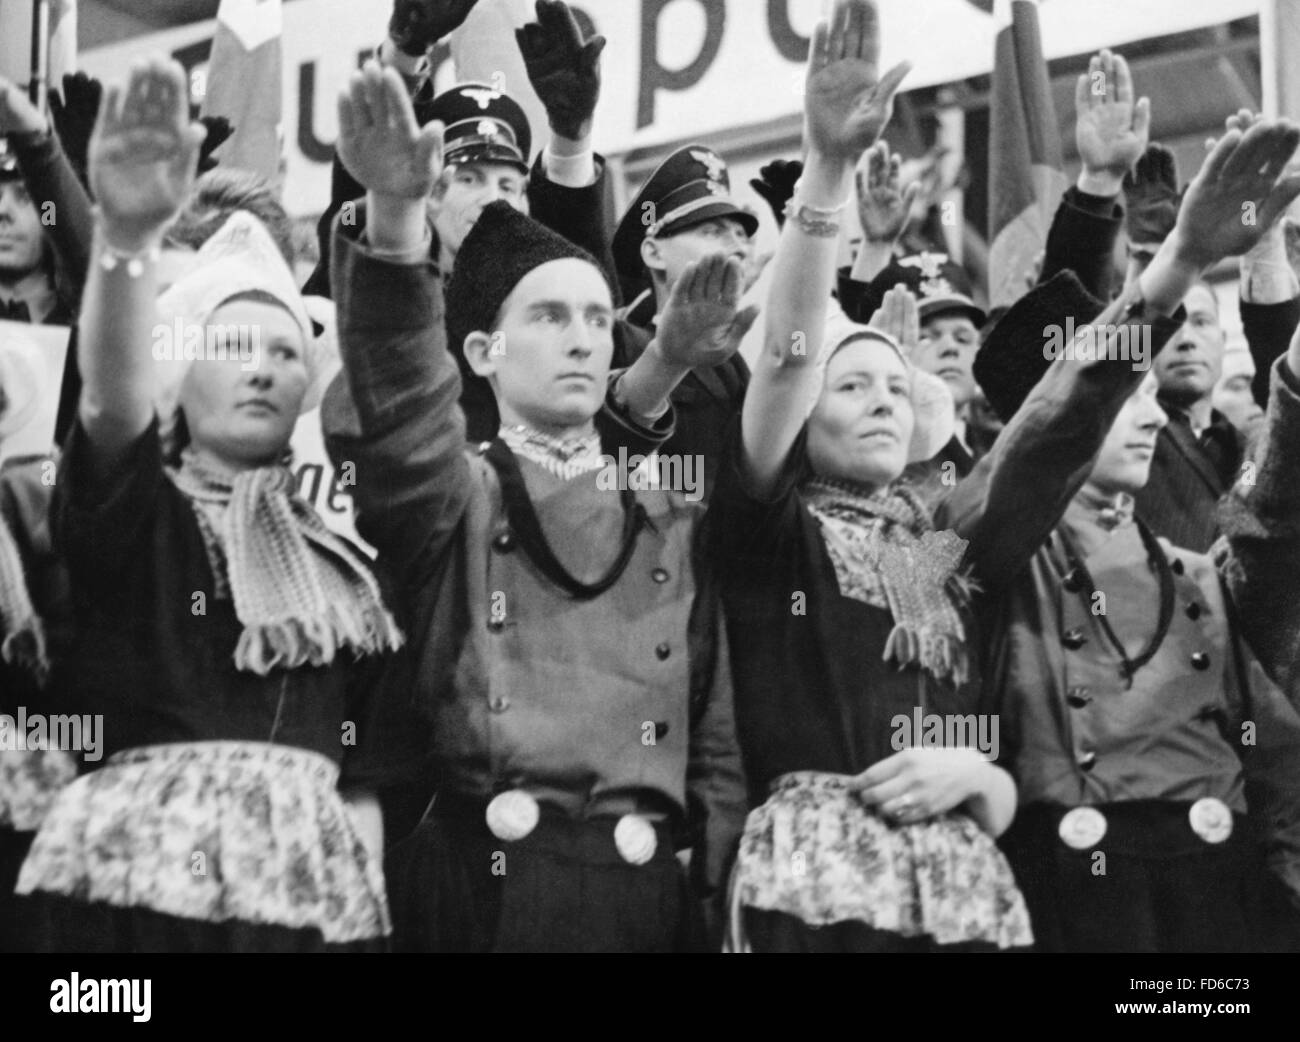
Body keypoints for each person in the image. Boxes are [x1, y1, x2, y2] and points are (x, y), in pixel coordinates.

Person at [320, 58, 748, 952]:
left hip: (645, 895)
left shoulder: (666, 507)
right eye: (550, 318)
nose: (585, 340)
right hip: (483, 882)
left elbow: (712, 731)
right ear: (480, 351)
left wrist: (714, 883)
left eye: (598, 319)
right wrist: (397, 220)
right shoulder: (457, 489)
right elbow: (398, 404)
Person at [13, 59, 404, 952]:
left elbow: (363, 777)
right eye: (231, 343)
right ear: (180, 375)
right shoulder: (137, 509)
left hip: (302, 909)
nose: (263, 364)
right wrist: (123, 241)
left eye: (282, 348)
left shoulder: (346, 565)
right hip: (133, 917)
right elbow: (110, 402)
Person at [709, 0, 1031, 953]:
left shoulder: (944, 554)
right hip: (817, 888)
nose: (885, 399)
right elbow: (785, 356)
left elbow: (997, 741)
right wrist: (830, 169)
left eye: (899, 386)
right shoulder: (773, 518)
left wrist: (982, 782)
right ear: (802, 418)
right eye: (851, 385)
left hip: (964, 890)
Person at [973, 250, 1300, 951]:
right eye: (1131, 395)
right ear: (1059, 415)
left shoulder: (1194, 572)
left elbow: (1277, 758)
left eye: (1154, 393)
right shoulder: (988, 561)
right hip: (1079, 896)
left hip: (1218, 894)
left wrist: (1281, 895)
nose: (1155, 418)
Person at [609, 145, 759, 493]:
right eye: (711, 231)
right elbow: (614, 460)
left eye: (740, 234)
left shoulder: (729, 358)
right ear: (654, 252)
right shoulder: (622, 343)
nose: (736, 245)